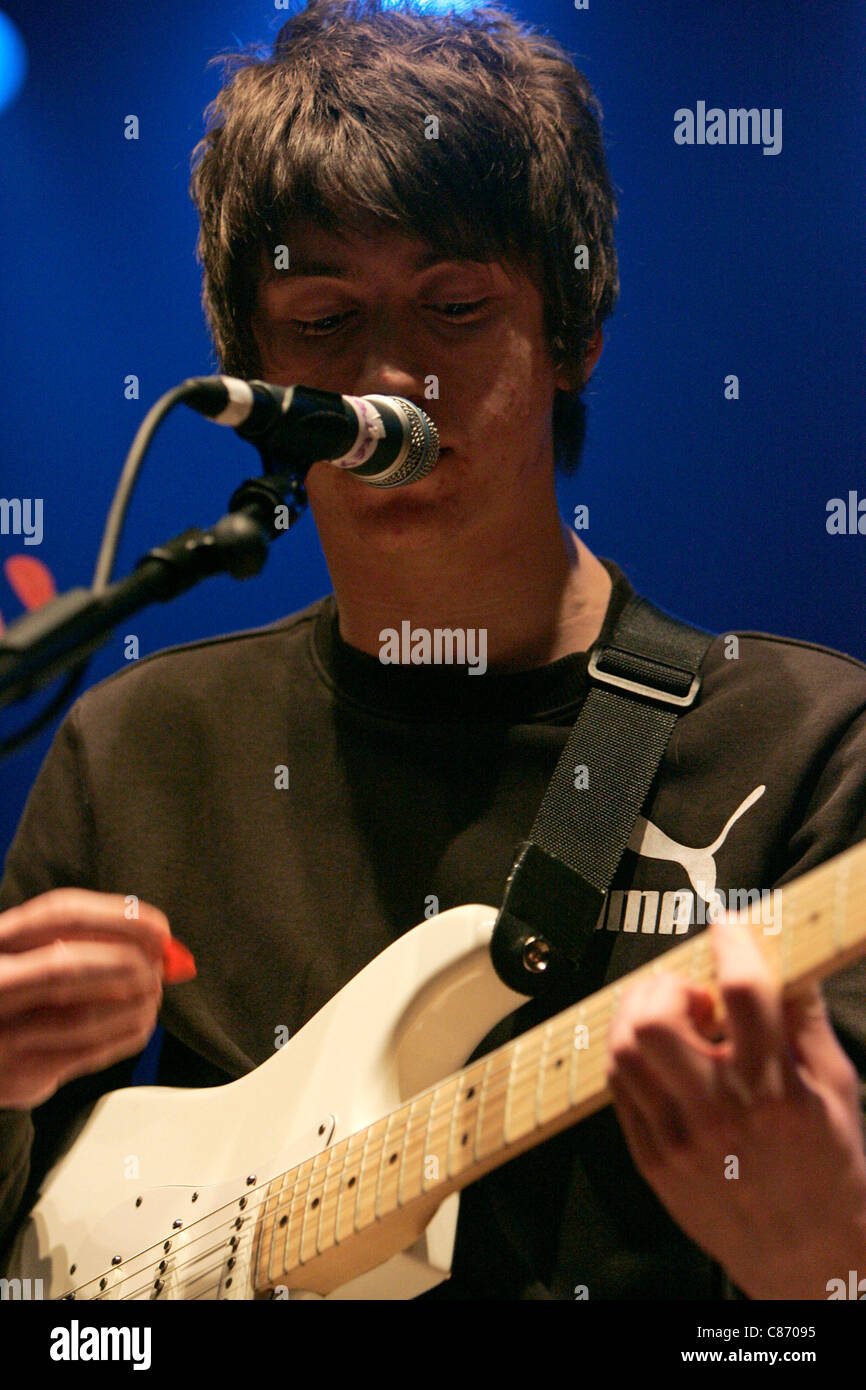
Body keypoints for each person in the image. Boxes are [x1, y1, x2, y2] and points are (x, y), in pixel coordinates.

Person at [1, 0, 865, 1302]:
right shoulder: (140, 746)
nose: (388, 380)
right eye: (322, 321)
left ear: (572, 332)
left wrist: (820, 1261)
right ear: (253, 380)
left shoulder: (800, 744)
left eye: (454, 308)